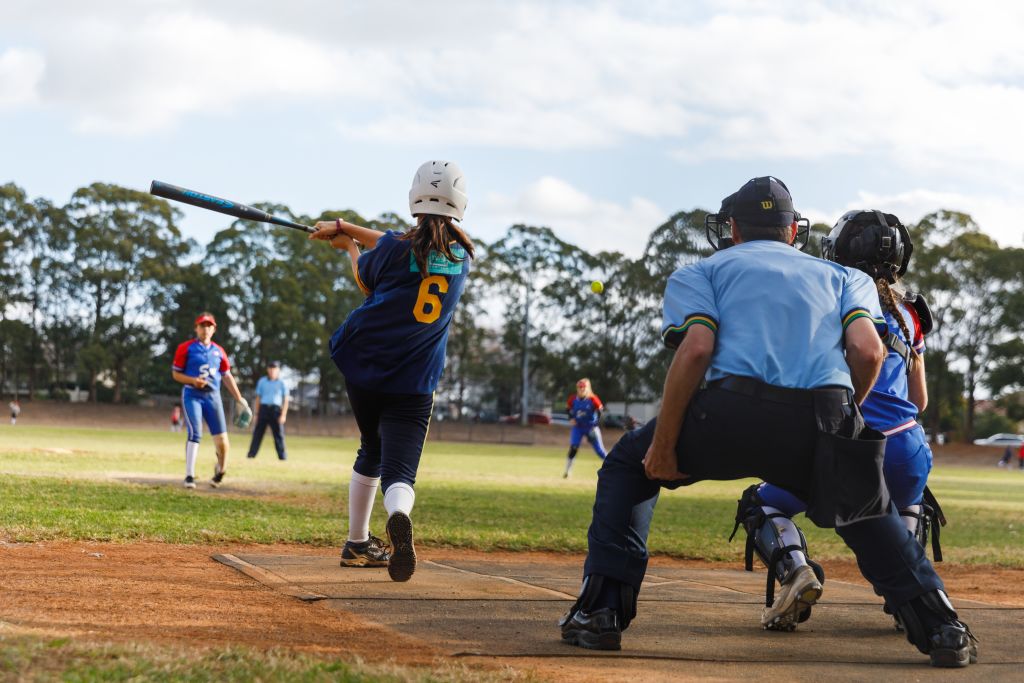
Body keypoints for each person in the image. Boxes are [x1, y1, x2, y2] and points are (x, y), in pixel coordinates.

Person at [558, 177, 976, 668]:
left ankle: (601, 614)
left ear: (732, 228)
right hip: (824, 413)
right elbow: (868, 350)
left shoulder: (701, 272)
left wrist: (665, 446)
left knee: (629, 467)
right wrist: (848, 422)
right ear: (793, 231)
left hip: (728, 411)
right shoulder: (844, 278)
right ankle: (943, 627)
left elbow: (695, 350)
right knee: (870, 514)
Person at [737, 210, 946, 630]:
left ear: (838, 253)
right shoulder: (911, 315)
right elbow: (918, 399)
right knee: (911, 500)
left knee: (761, 503)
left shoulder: (829, 298)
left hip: (844, 443)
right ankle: (913, 598)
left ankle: (796, 572)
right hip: (907, 447)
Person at [309, 160, 473, 582]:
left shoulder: (393, 249)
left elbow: (369, 275)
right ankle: (397, 513)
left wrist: (348, 245)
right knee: (399, 470)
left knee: (371, 449)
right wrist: (348, 225)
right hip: (414, 380)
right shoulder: (461, 256)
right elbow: (398, 245)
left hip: (362, 363)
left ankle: (357, 542)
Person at [172, 312, 251, 489]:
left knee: (223, 442)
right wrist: (193, 380)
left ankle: (220, 470)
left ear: (214, 329)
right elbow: (176, 374)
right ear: (196, 328)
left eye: (209, 326)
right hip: (193, 395)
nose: (205, 329)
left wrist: (239, 399)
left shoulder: (219, 351)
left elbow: (227, 376)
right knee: (195, 432)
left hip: (212, 397)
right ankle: (189, 476)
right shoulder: (186, 348)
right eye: (202, 326)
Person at [563, 378, 608, 478]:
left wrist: (596, 424)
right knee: (573, 448)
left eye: (583, 387)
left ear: (588, 388)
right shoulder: (573, 399)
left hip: (591, 427)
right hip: (578, 427)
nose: (581, 389)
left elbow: (601, 412)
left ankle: (615, 467)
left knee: (600, 451)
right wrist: (570, 418)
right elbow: (567, 409)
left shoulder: (593, 399)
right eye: (579, 387)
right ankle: (567, 471)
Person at [246, 360, 290, 460]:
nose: (272, 371)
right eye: (270, 369)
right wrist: (257, 413)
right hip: (264, 409)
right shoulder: (262, 381)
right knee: (258, 433)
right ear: (267, 370)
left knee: (279, 435)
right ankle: (251, 455)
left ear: (278, 370)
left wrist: (283, 415)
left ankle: (282, 457)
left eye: (274, 369)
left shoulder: (282, 383)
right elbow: (258, 398)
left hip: (276, 410)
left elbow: (286, 400)